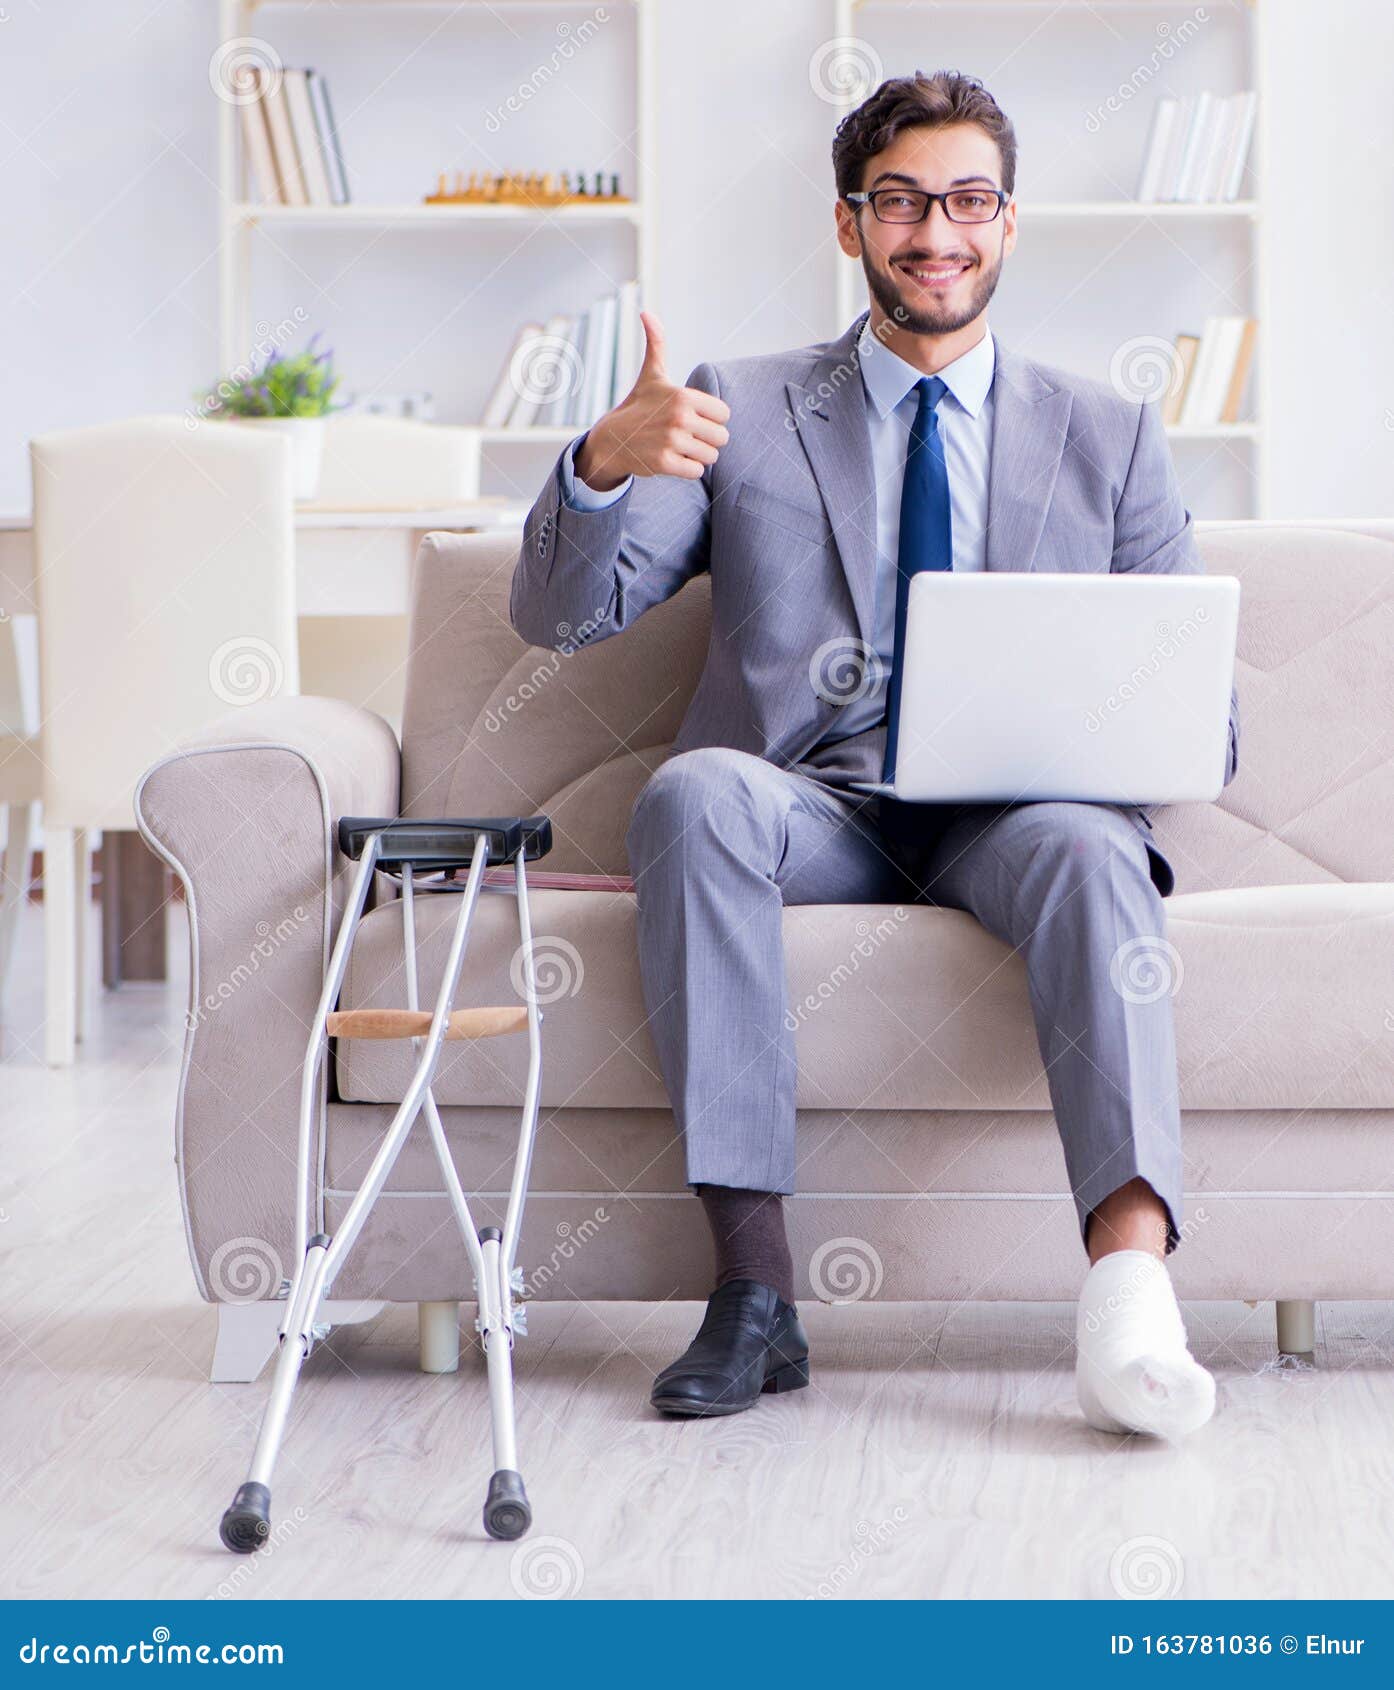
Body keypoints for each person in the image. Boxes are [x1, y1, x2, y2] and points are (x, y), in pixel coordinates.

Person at [509, 68, 1240, 1440]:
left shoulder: (1109, 433)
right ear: (849, 226)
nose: (934, 233)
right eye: (898, 202)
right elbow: (563, 615)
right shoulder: (743, 403)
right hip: (810, 804)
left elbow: (1202, 712)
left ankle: (1130, 1294)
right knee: (695, 790)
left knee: (1093, 843)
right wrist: (603, 460)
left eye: (966, 201)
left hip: (1010, 816)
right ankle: (754, 1294)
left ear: (1008, 225)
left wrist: (1127, 716)